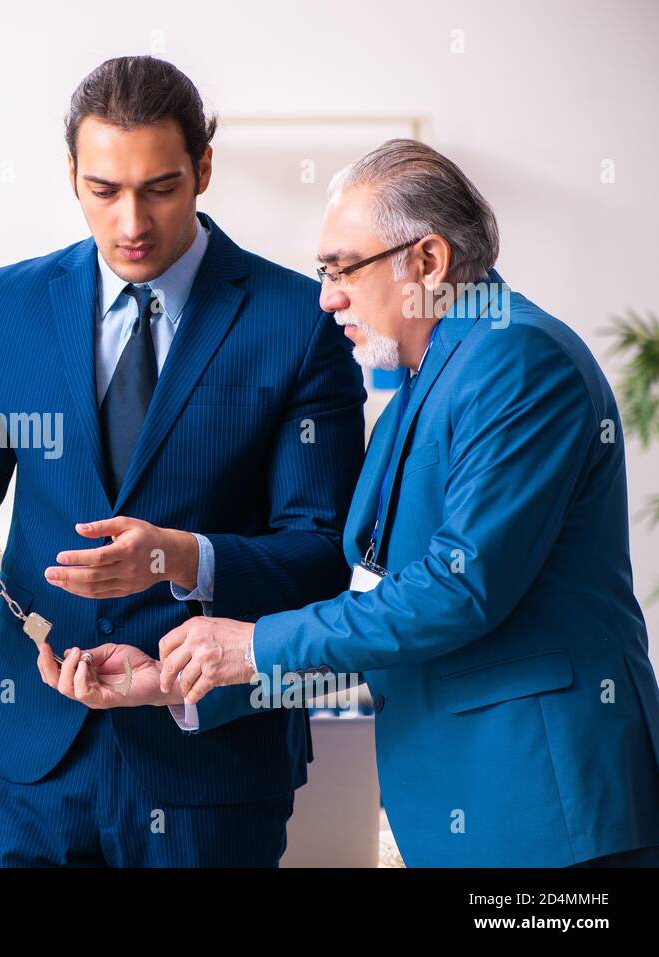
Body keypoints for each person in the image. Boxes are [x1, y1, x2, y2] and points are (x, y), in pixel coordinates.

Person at [140, 139, 659, 866]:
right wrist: (187, 674)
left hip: (546, 813)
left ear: (428, 263)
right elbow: (375, 613)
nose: (326, 296)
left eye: (342, 267)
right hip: (476, 806)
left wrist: (248, 646)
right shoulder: (423, 385)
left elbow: (456, 590)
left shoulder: (517, 361)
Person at [0, 55, 364, 866]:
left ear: (204, 170)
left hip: (210, 763)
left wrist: (180, 556)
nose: (131, 222)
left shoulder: (300, 322)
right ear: (73, 177)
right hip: (31, 763)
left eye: (159, 187)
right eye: (104, 190)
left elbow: (321, 553)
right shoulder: (9, 304)